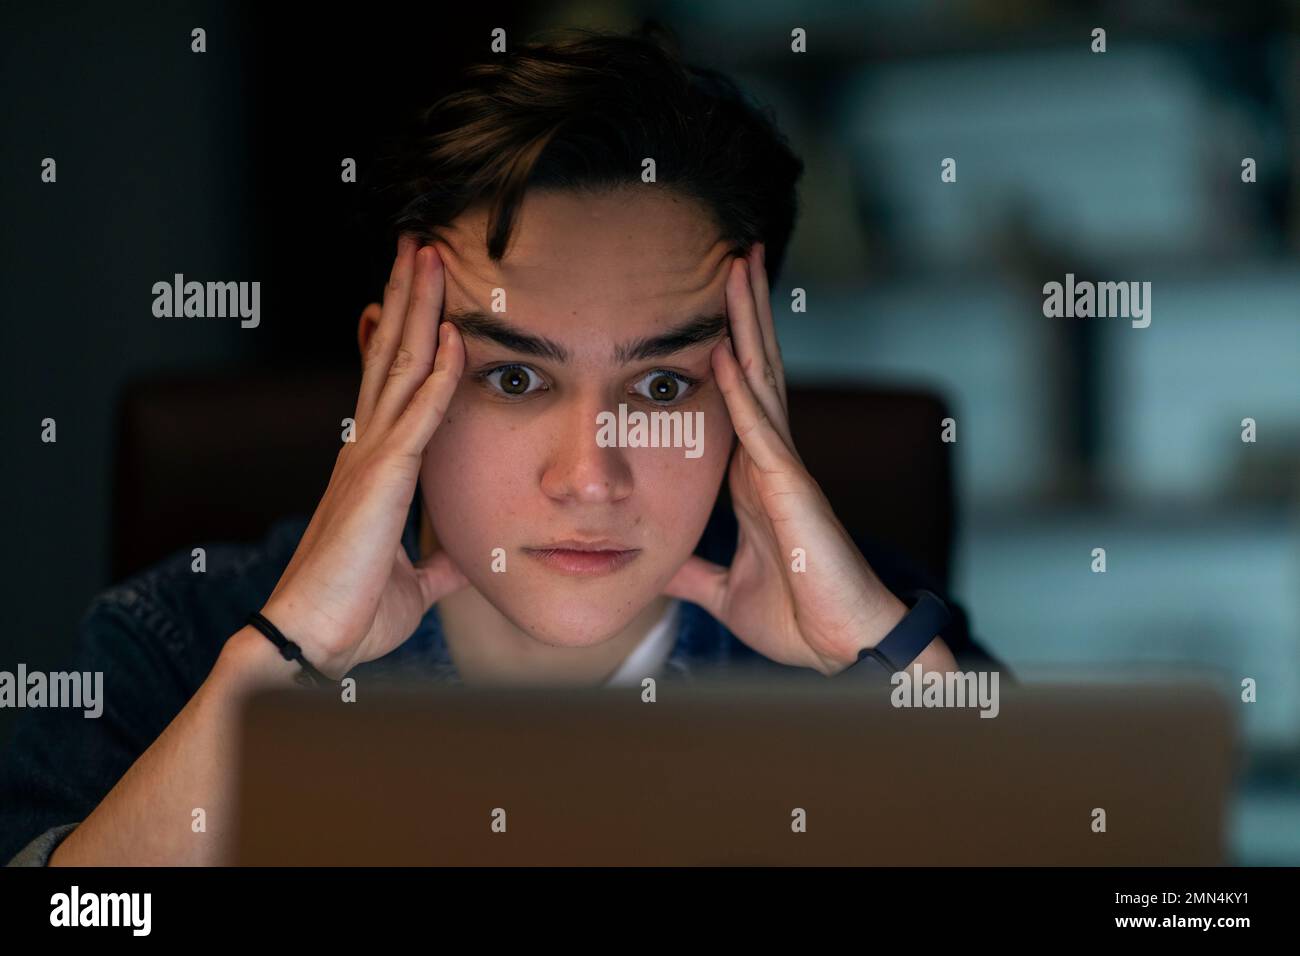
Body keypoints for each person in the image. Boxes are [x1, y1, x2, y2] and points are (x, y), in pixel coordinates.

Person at [0, 24, 1003, 867]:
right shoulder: (171, 642)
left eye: (661, 385)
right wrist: (285, 667)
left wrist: (883, 665)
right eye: (513, 377)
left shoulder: (884, 637)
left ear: (754, 388)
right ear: (387, 372)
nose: (587, 477)